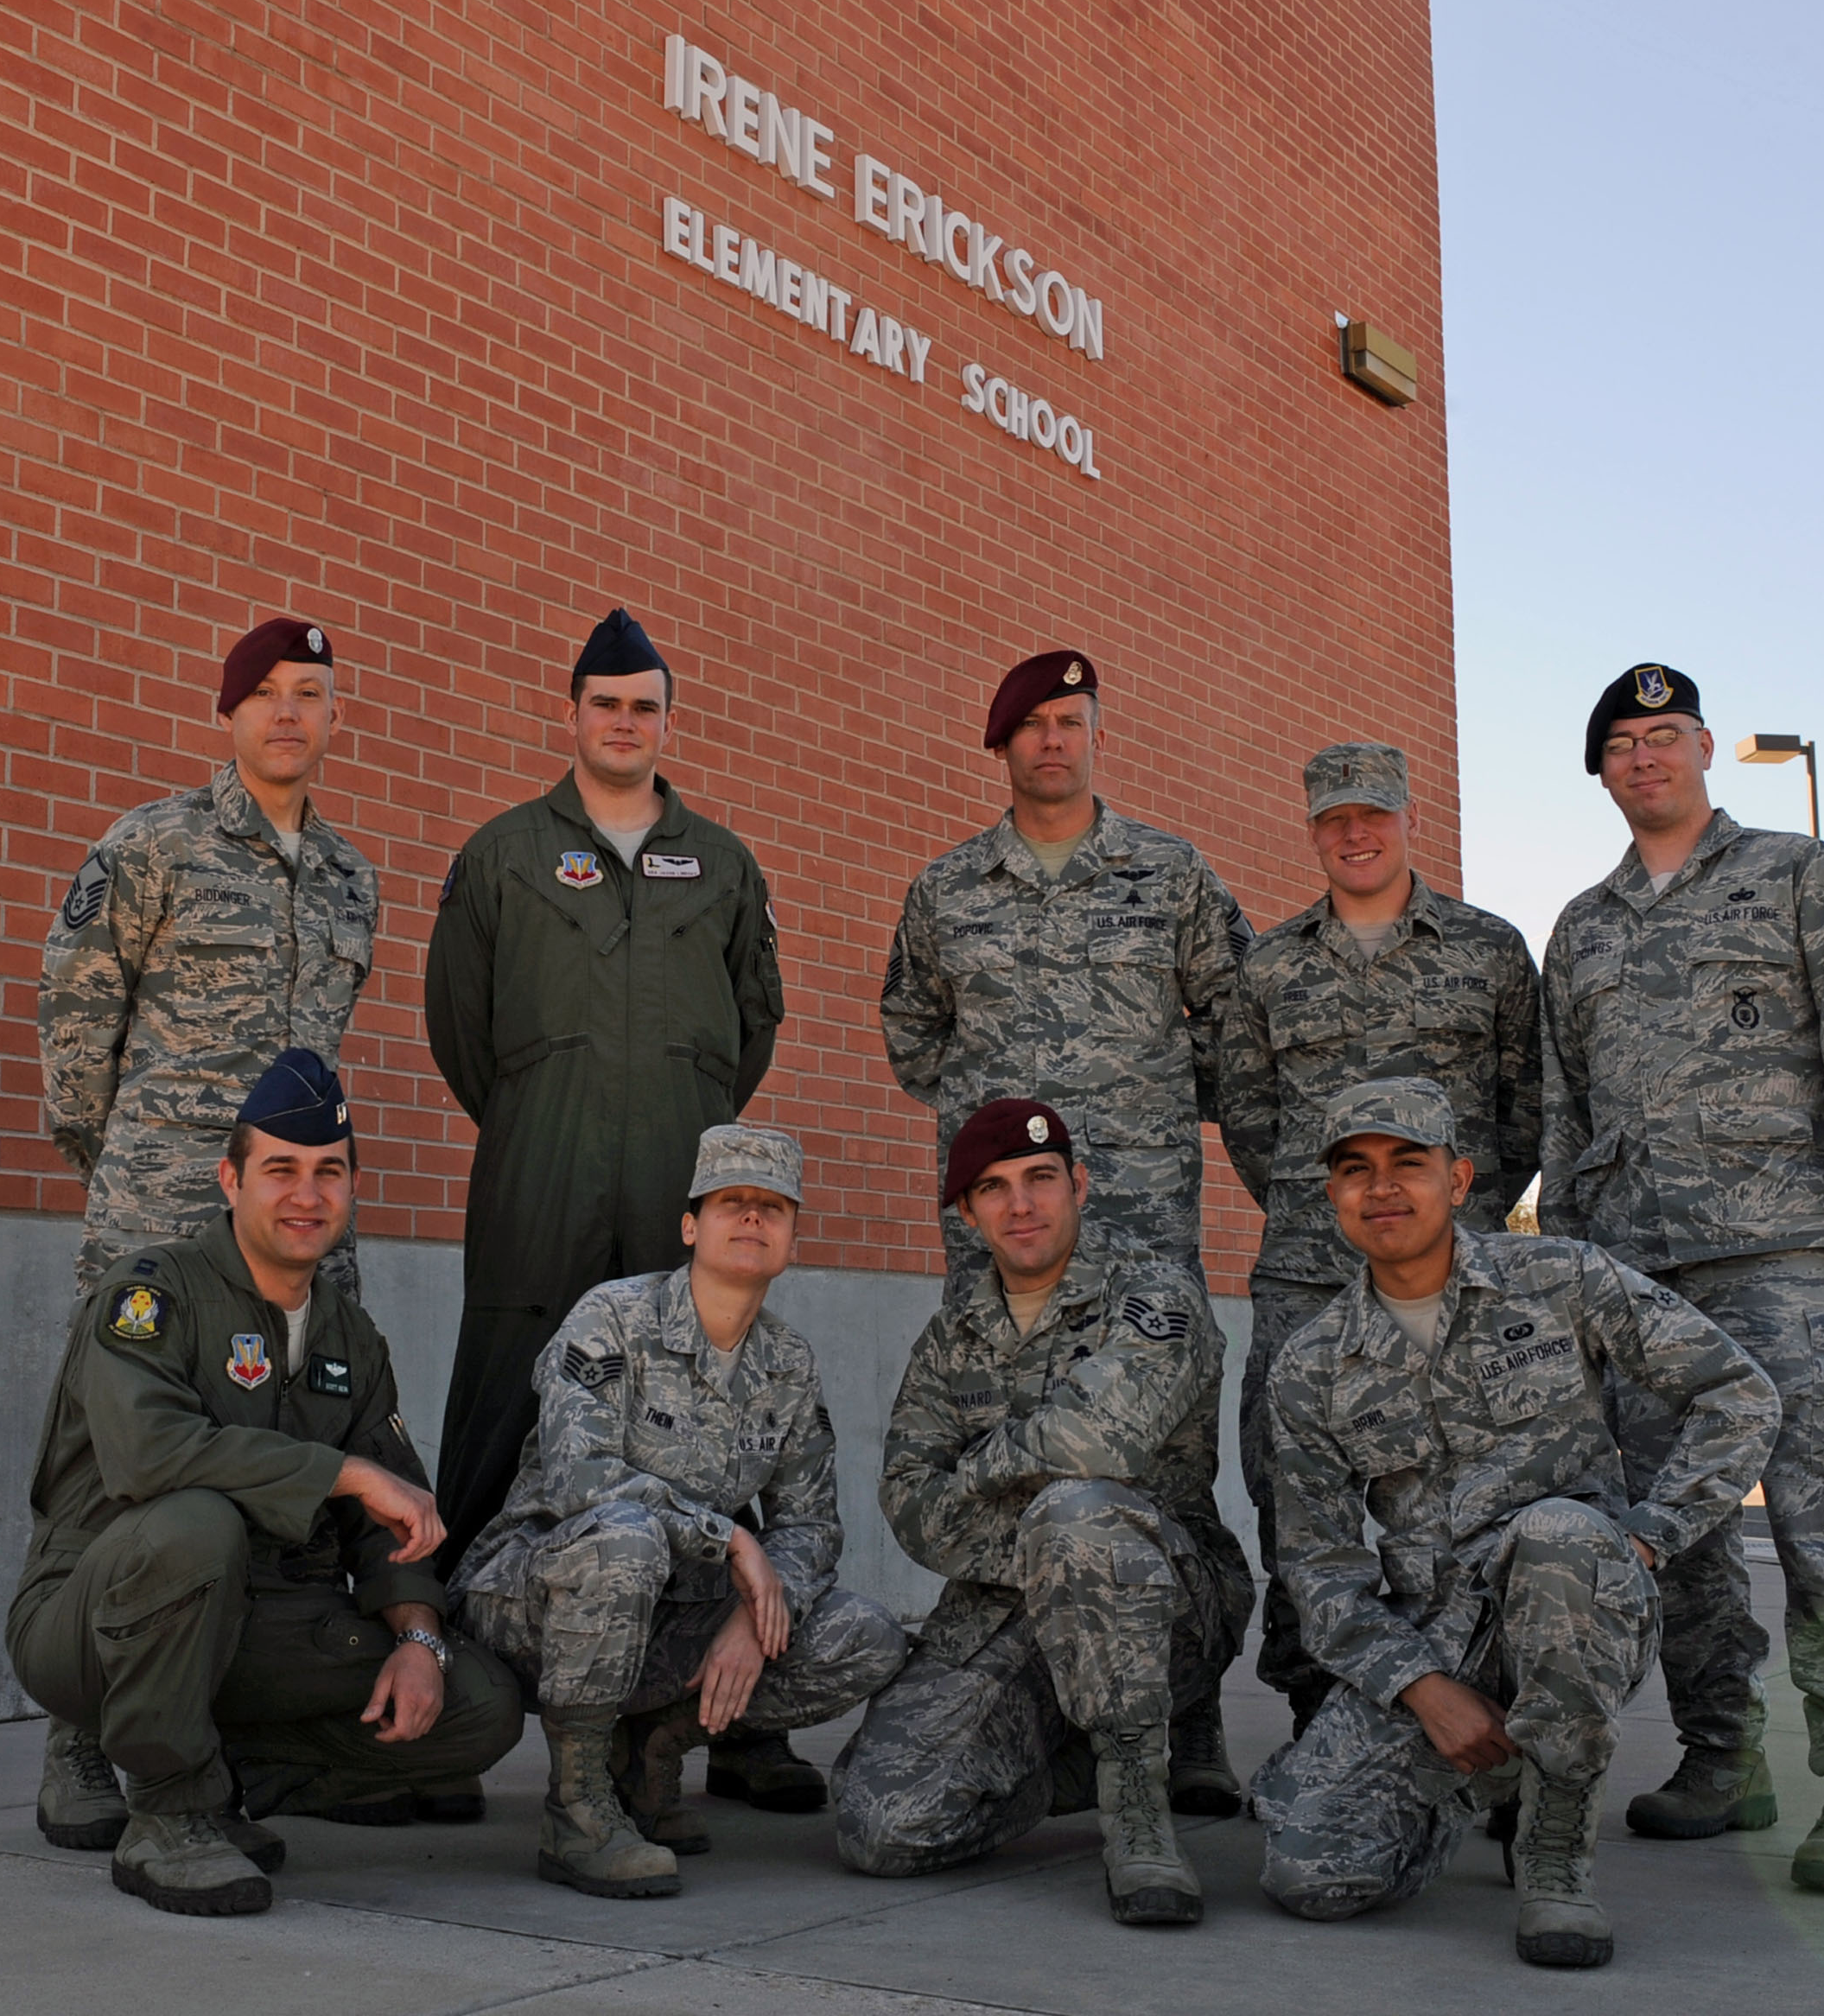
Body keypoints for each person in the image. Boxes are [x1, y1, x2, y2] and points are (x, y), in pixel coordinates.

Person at [1539, 663, 1824, 1893]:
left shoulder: (1799, 876)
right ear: (1600, 772)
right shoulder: (1581, 929)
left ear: (1703, 747)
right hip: (1641, 1279)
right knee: (1681, 1537)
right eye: (1622, 746)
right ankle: (1725, 1758)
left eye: (1665, 737)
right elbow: (1564, 1106)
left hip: (1787, 1257)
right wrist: (1568, 1264)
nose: (1645, 759)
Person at [1254, 1078, 1777, 1968]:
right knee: (1312, 1876)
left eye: (1406, 1165)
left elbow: (1739, 1393)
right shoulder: (1312, 1365)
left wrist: (1652, 1531)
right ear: (1331, 1197)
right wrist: (1424, 1690)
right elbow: (1322, 1575)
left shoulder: (1557, 1278)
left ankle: (1555, 1853)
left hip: (1579, 1599)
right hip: (1436, 1641)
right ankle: (1495, 1776)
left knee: (1559, 1536)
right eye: (1354, 1171)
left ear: (1457, 1181)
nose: (1382, 1189)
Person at [423, 607, 799, 1809]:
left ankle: (730, 1717)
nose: (624, 723)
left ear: (665, 722)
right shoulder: (501, 856)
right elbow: (461, 1031)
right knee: (499, 1422)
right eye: (604, 704)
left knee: (712, 1430)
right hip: (538, 1184)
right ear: (573, 714)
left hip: (676, 1190)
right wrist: (552, 1110)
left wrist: (668, 1115)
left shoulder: (723, 862)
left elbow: (752, 1025)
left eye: (644, 707)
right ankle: (454, 1706)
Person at [9, 1051, 522, 1917]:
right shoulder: (150, 1297)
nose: (307, 1196)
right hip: (96, 1623)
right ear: (231, 1180)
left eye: (330, 1173)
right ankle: (168, 1815)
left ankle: (227, 1774)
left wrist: (418, 1639)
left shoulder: (348, 1337)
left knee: (480, 1706)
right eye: (280, 1170)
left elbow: (391, 1527)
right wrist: (342, 1472)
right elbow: (148, 1456)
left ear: (353, 1187)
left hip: (258, 1625)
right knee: (195, 1525)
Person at [878, 651, 1249, 1808]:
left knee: (1165, 1459)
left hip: (1136, 1215)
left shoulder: (1168, 873)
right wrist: (992, 1136)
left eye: (1072, 721)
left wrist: (1139, 1115)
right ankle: (1035, 1680)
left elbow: (1232, 1019)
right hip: (1005, 1232)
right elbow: (912, 1033)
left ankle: (1183, 1714)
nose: (1053, 741)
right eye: (1032, 725)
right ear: (1001, 746)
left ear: (1098, 734)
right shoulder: (948, 890)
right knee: (1006, 1419)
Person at [453, 1125, 907, 1898]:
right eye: (733, 1202)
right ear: (691, 1226)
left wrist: (756, 1617)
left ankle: (654, 1751)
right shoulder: (615, 1319)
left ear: (793, 1236)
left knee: (866, 1636)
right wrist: (727, 1537)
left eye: (773, 1207)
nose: (754, 1218)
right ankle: (578, 1806)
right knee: (625, 1540)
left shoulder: (788, 1363)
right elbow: (578, 1477)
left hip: (675, 1615)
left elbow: (810, 1525)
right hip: (535, 1592)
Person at [835, 1100, 1255, 1927]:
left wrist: (985, 1478)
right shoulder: (953, 1334)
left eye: (1040, 1179)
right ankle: (1070, 1757)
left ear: (1080, 1185)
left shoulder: (1153, 1297)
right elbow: (910, 1503)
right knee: (879, 1827)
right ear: (968, 1212)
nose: (1020, 1205)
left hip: (1163, 1606)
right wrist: (1026, 1517)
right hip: (1003, 1615)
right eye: (993, 1189)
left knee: (1080, 1516)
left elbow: (1100, 1441)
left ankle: (1136, 1803)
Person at [1219, 741, 1541, 1735]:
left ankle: (1479, 1704)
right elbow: (1248, 1115)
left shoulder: (1488, 951)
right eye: (1333, 820)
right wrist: (1325, 1210)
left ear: (1409, 822)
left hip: (1457, 1282)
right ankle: (1320, 1709)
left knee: (1471, 1490)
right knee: (1294, 1495)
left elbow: (1527, 1104)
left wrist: (1457, 1217)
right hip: (1309, 1278)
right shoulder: (1269, 967)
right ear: (1313, 830)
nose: (1355, 835)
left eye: (1373, 816)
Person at [41, 614, 378, 1301]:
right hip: (164, 1216)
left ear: (336, 716)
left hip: (302, 1221)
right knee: (138, 1403)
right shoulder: (155, 844)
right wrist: (131, 1165)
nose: (286, 713)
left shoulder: (350, 879)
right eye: (263, 693)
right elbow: (74, 1023)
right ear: (226, 712)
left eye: (307, 694)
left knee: (307, 1403)